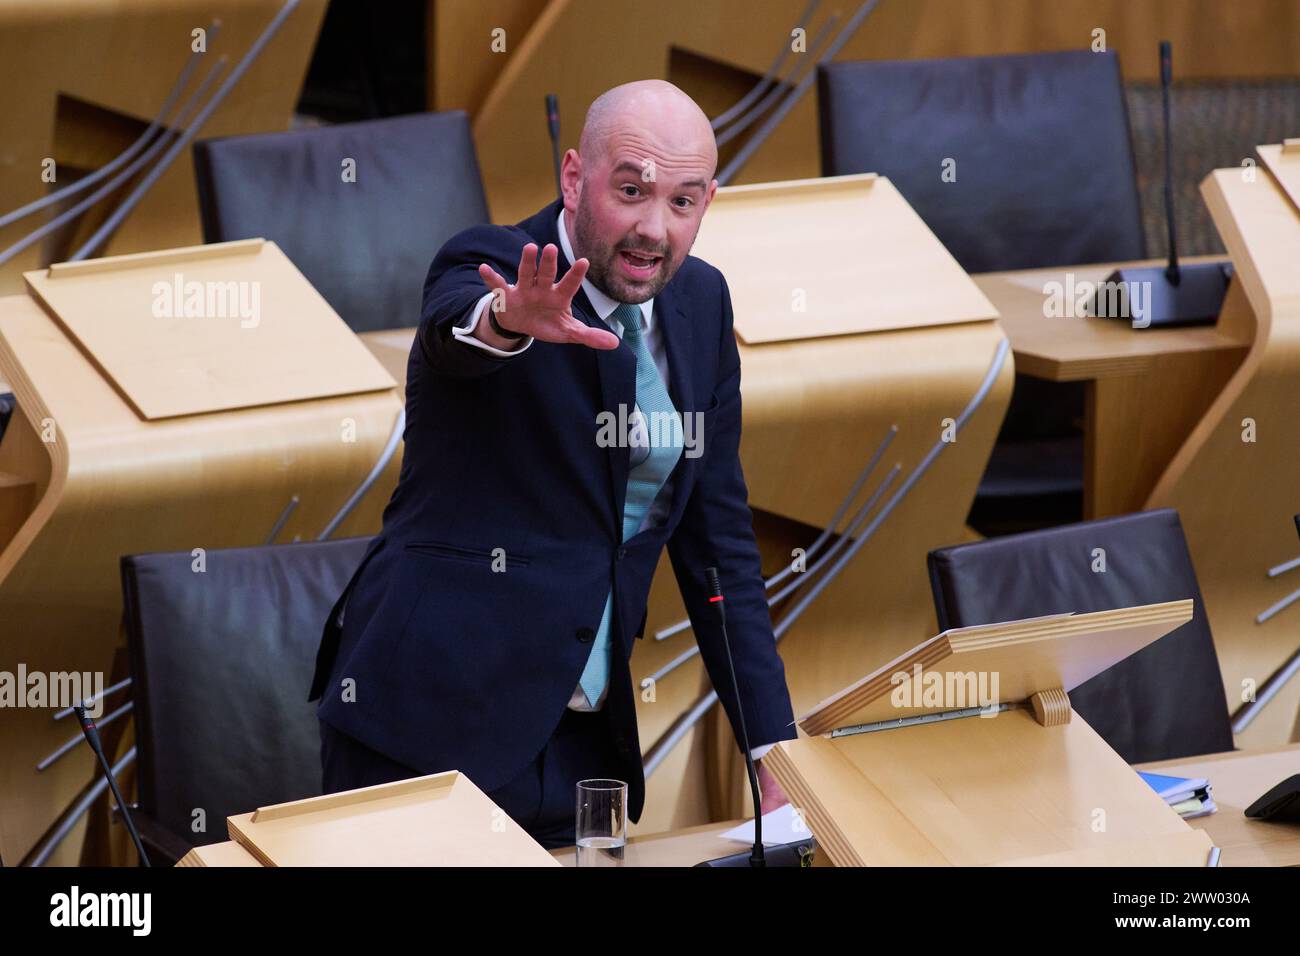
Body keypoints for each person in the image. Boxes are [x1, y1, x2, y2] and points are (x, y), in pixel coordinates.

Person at [310, 79, 795, 849]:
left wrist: (773, 751)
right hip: (430, 728)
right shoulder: (494, 261)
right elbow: (457, 333)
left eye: (683, 202)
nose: (652, 228)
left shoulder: (701, 303)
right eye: (629, 190)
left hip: (583, 748)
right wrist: (508, 322)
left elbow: (720, 553)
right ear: (574, 178)